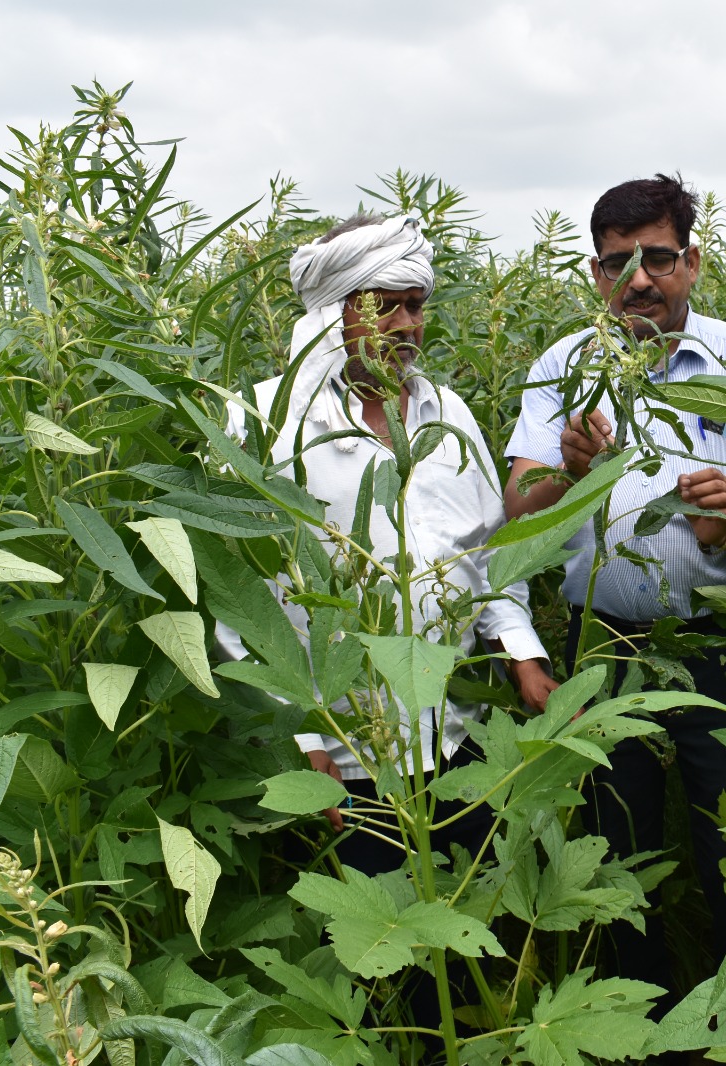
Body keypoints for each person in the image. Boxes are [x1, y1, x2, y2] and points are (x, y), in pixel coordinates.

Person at [501, 174, 726, 1002]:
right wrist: (574, 474)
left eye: (658, 258)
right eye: (619, 262)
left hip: (722, 647)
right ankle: (642, 1027)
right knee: (613, 849)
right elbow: (519, 508)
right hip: (606, 645)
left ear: (693, 262)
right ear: (596, 274)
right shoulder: (565, 363)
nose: (640, 279)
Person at [218, 213, 559, 869]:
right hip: (345, 759)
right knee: (375, 952)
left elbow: (487, 550)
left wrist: (521, 653)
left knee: (467, 932)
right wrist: (300, 735)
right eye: (383, 306)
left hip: (459, 737)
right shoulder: (259, 425)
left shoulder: (445, 412)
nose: (407, 325)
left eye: (416, 305)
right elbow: (242, 604)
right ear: (329, 314)